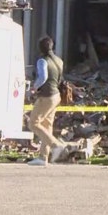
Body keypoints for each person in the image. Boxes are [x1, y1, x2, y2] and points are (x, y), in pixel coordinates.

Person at [27, 36, 65, 166]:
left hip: (46, 96)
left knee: (33, 123)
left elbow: (43, 77)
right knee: (47, 126)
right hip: (56, 95)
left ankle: (56, 145)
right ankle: (43, 158)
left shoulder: (42, 61)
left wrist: (34, 87)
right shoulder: (59, 61)